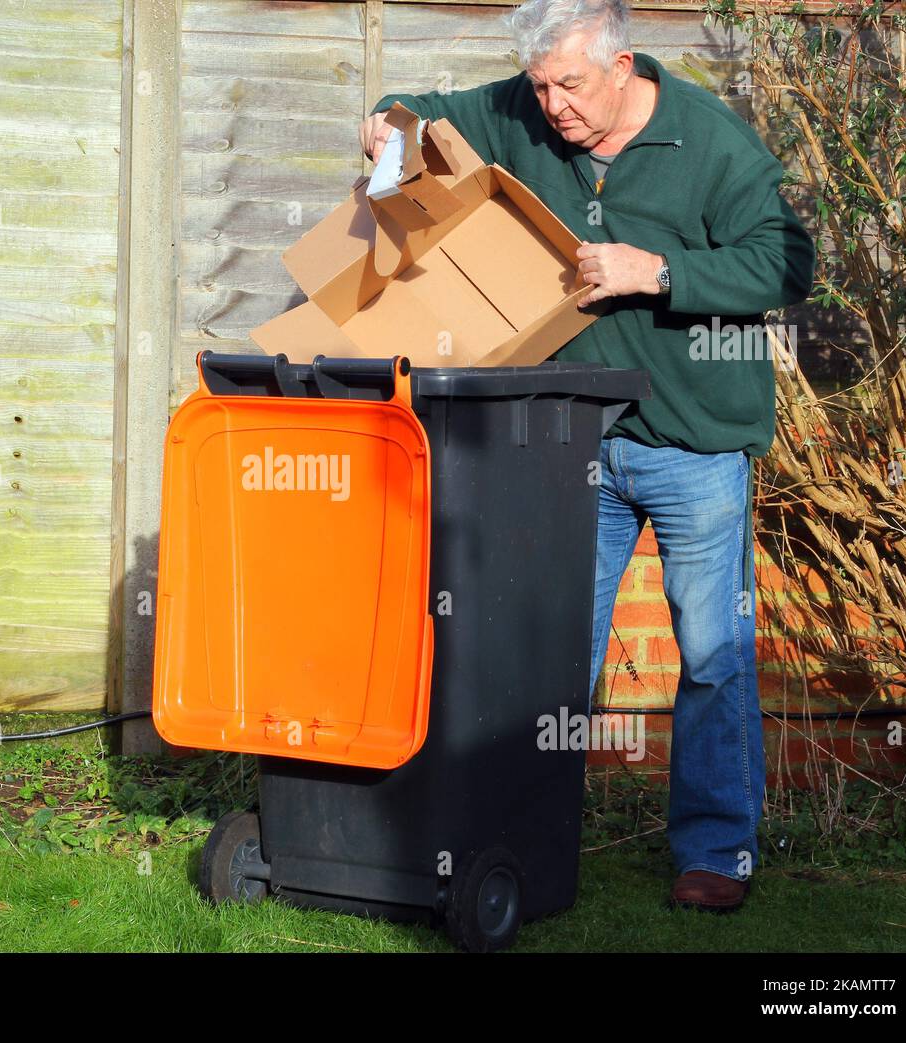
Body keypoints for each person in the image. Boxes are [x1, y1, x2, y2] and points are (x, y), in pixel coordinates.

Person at [359, 0, 815, 913]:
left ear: (623, 64)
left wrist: (660, 272)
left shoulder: (711, 143)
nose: (554, 106)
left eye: (571, 84)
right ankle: (523, 842)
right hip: (573, 443)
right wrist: (388, 119)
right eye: (540, 86)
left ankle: (716, 852)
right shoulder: (525, 109)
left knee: (714, 654)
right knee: (550, 657)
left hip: (698, 443)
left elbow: (786, 264)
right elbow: (424, 108)